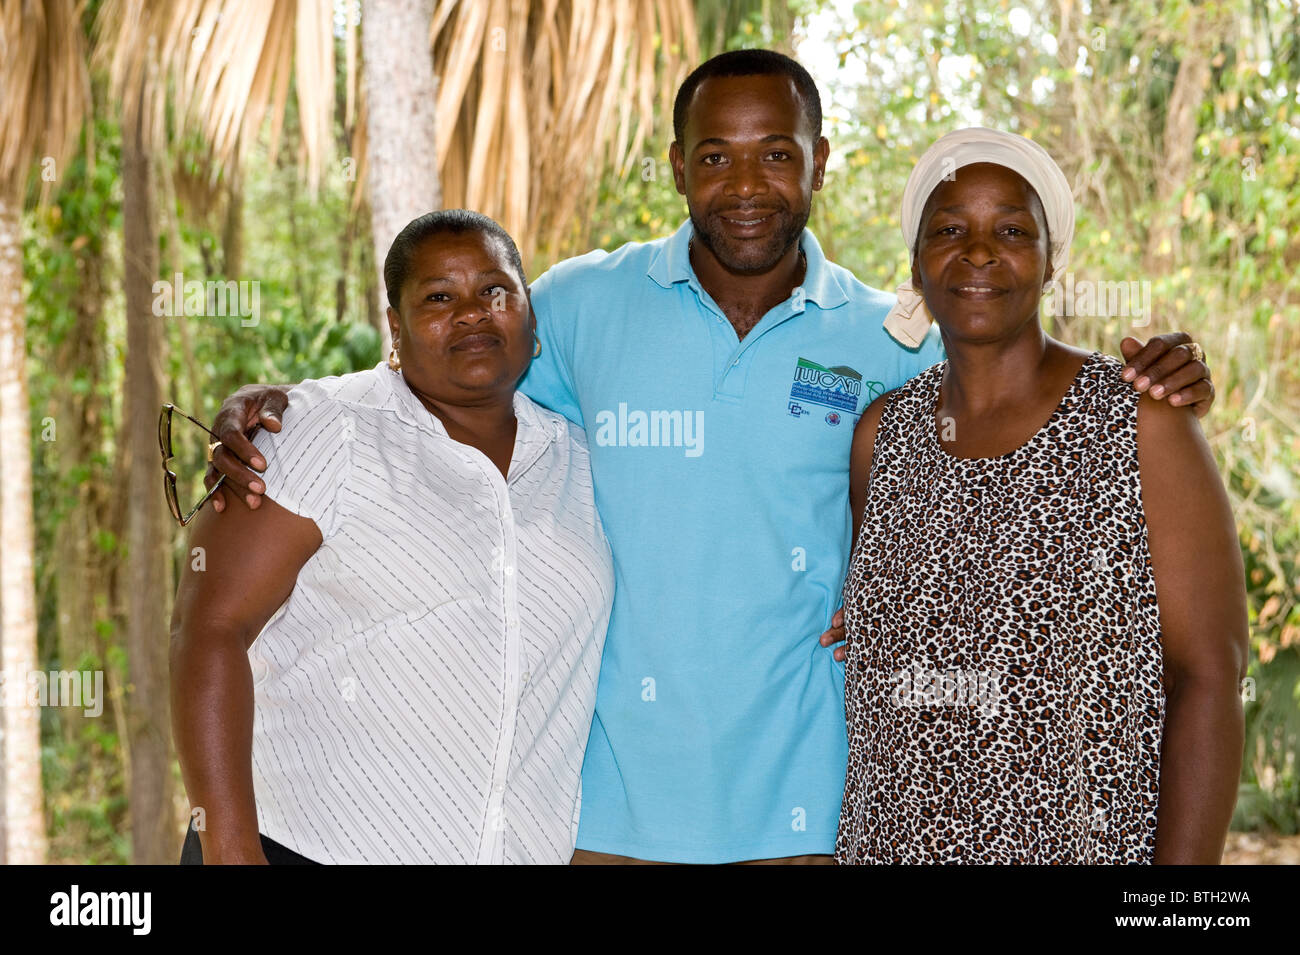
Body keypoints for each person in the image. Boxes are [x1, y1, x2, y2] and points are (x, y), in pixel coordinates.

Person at [203, 51, 1217, 864]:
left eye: (775, 154)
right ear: (677, 165)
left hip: (814, 816)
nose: (745, 186)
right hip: (603, 818)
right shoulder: (579, 304)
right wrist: (282, 405)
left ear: (820, 164)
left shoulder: (889, 341)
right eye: (715, 156)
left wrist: (1164, 381)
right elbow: (449, 374)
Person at [836, 129, 1248, 864]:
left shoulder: (1138, 421)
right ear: (915, 263)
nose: (980, 250)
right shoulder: (882, 435)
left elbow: (1211, 673)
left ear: (1051, 259)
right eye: (950, 229)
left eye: (1013, 230)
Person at [170, 210, 614, 864]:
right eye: (439, 297)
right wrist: (230, 850)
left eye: (496, 291)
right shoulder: (317, 432)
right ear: (395, 329)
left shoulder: (583, 461)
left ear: (531, 317)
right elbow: (208, 627)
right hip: (295, 849)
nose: (472, 312)